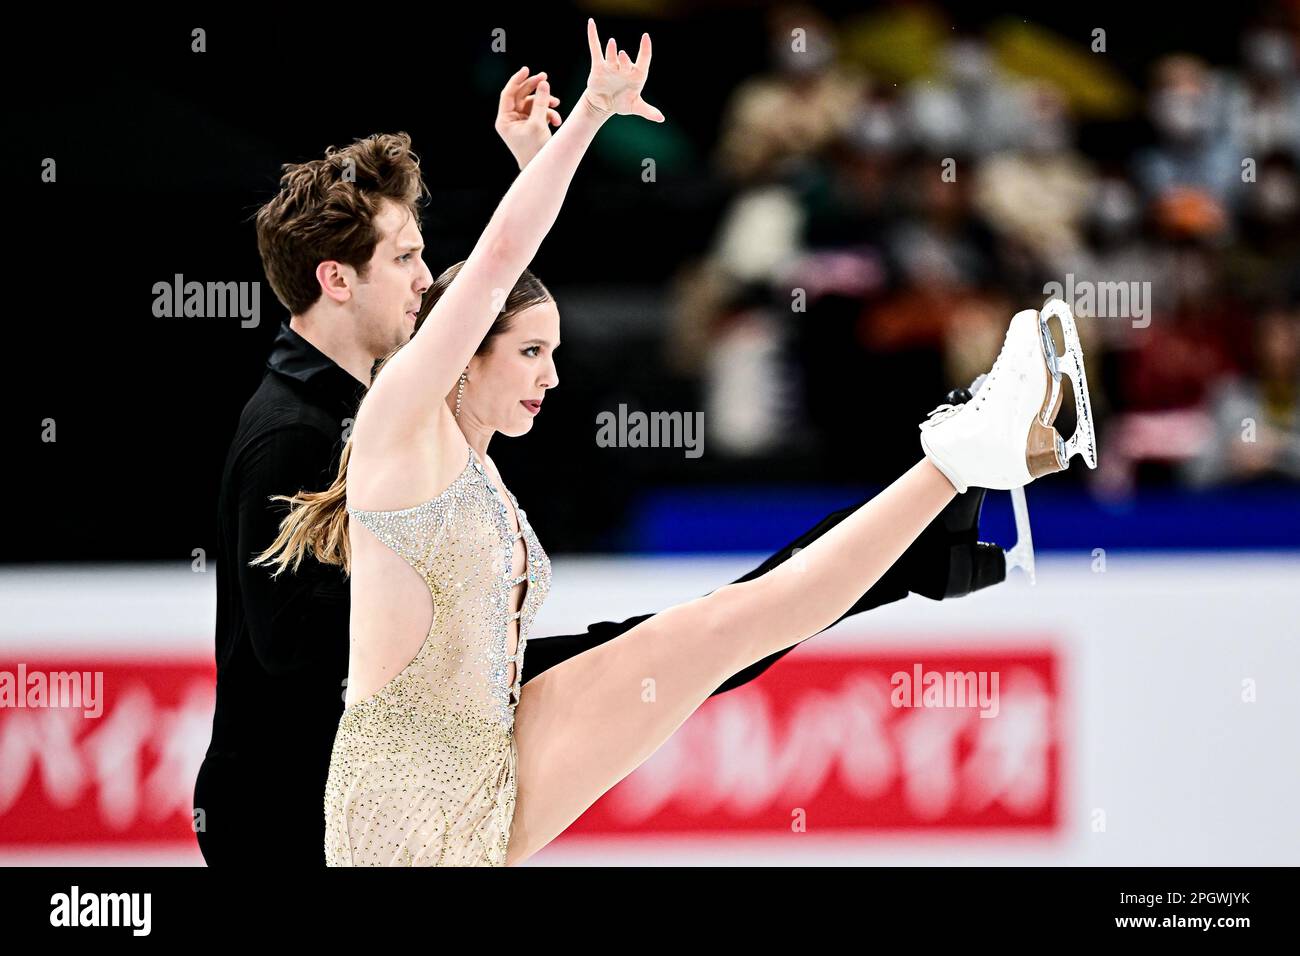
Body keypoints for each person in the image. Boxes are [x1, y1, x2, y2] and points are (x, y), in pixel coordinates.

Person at [253, 19, 1095, 866]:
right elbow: (501, 261)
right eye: (406, 257)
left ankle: (969, 457)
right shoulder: (399, 414)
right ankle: (960, 457)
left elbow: (495, 281)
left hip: (482, 753)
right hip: (404, 813)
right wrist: (586, 120)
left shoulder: (466, 453)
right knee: (724, 629)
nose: (421, 276)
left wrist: (530, 163)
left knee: (719, 628)